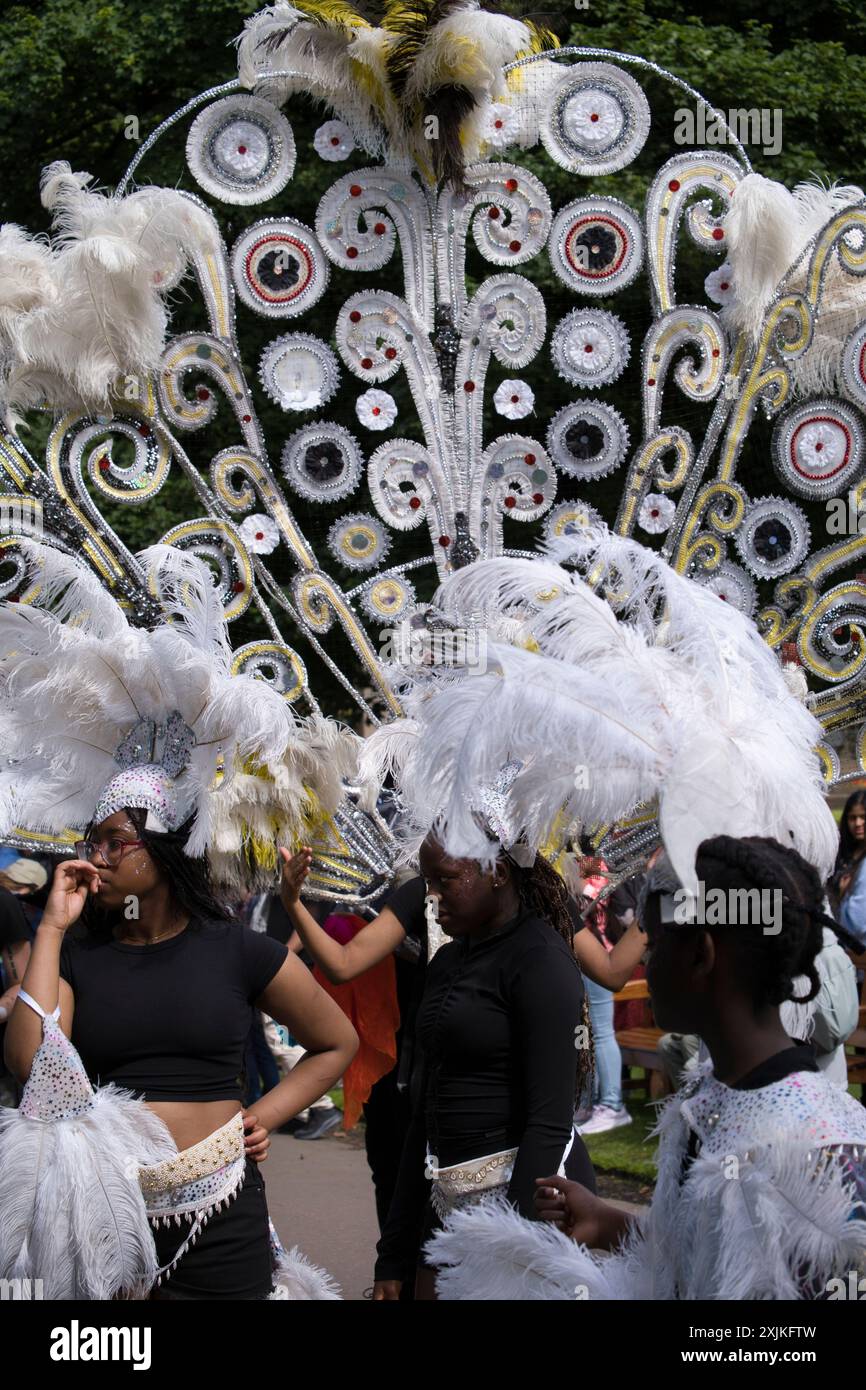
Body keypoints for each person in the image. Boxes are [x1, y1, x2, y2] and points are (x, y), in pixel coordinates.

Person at [426, 836, 866, 1300]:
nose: (643, 969)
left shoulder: (824, 1144)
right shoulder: (703, 1101)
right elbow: (707, 1261)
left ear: (701, 954)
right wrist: (611, 1224)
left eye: (653, 945)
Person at [4, 808, 358, 1299]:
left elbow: (337, 1042)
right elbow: (29, 1062)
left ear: (167, 850)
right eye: (91, 844)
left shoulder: (237, 950)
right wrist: (51, 929)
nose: (95, 859)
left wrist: (261, 1116)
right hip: (104, 1212)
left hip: (221, 1210)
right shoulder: (74, 954)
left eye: (115, 843)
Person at [834, 790, 866, 947]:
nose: (858, 823)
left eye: (863, 817)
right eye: (853, 818)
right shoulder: (841, 853)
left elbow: (857, 921)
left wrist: (843, 897)